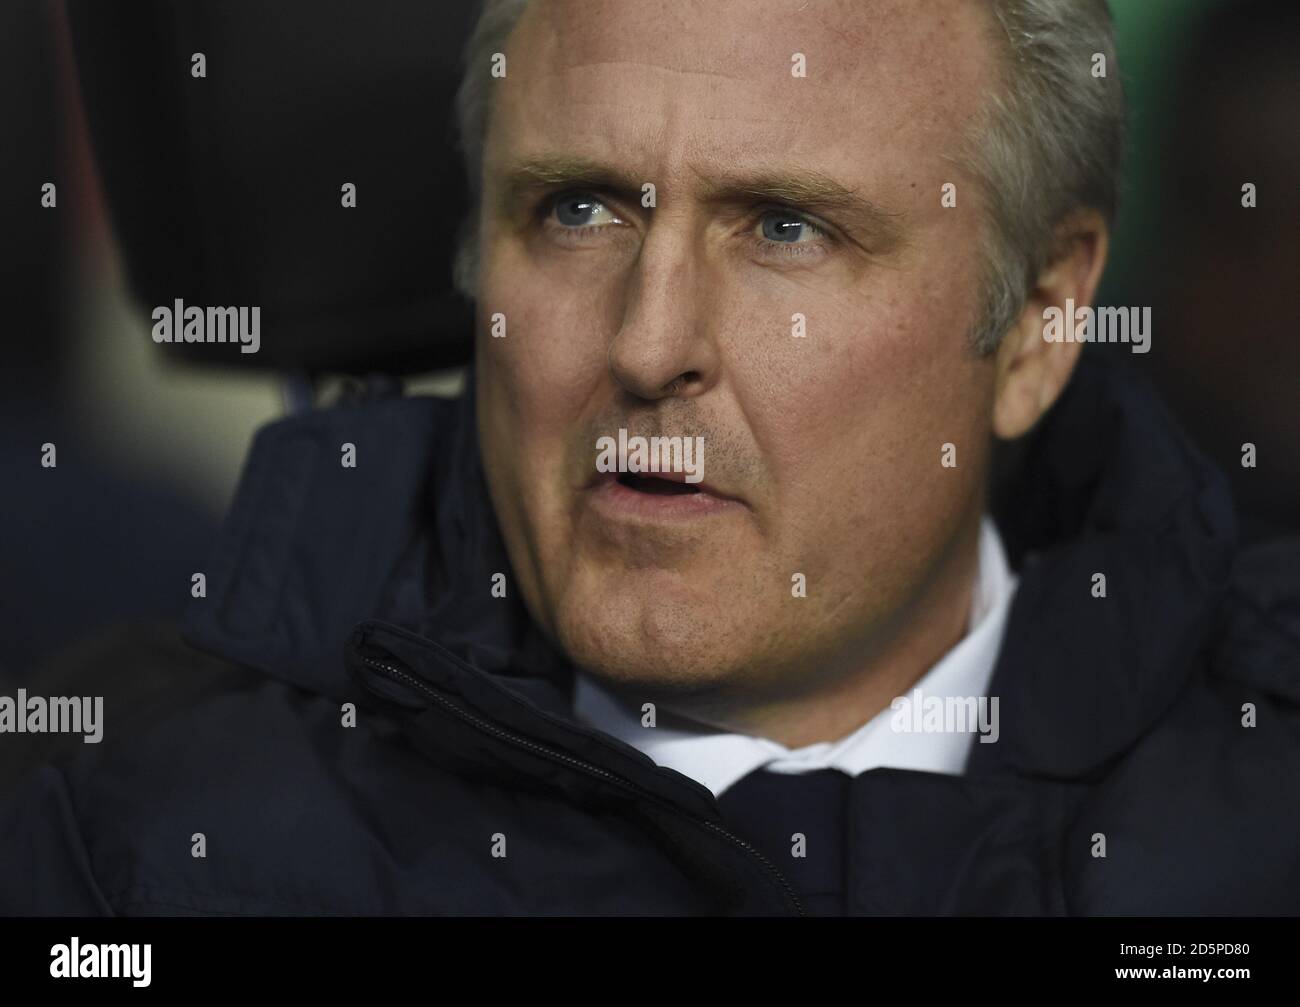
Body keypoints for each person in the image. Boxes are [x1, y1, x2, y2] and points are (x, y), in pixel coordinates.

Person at [2, 0, 1298, 916]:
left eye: (785, 227)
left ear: (1036, 323)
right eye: (577, 209)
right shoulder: (126, 847)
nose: (649, 338)